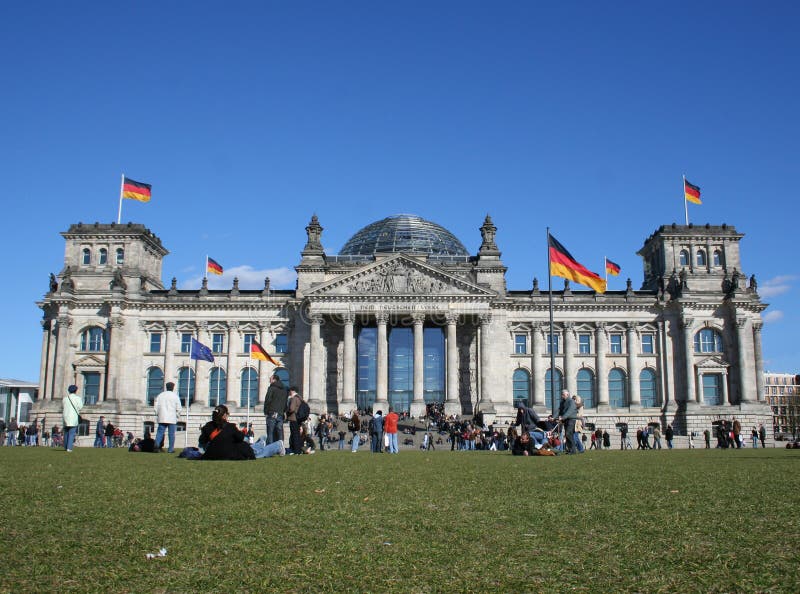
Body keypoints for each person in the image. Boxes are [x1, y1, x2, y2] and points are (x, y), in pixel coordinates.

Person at [154, 381, 182, 453]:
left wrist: (157, 414)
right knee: (171, 434)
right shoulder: (175, 396)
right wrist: (177, 415)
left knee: (160, 433)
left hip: (162, 417)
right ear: (173, 388)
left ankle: (156, 446)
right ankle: (170, 449)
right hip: (171, 417)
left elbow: (155, 406)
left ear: (166, 387)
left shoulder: (160, 395)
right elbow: (179, 408)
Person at [263, 373, 287, 446]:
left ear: (274, 380)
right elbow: (285, 402)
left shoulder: (271, 388)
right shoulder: (284, 389)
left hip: (272, 412)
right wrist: (284, 411)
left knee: (270, 431)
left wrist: (266, 411)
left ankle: (270, 448)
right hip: (280, 413)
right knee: (280, 431)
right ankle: (281, 447)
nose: (269, 381)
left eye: (270, 379)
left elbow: (268, 400)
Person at [62, 384, 83, 452]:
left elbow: (63, 406)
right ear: (76, 391)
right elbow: (80, 407)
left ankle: (65, 447)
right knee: (72, 433)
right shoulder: (78, 398)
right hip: (73, 417)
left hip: (65, 417)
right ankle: (69, 448)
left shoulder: (65, 398)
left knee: (66, 433)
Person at [557, 389, 578, 454]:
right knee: (567, 434)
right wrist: (553, 417)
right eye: (562, 394)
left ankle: (573, 450)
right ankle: (570, 449)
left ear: (567, 395)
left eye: (563, 394)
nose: (562, 396)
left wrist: (563, 417)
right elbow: (559, 410)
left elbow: (570, 411)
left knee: (568, 433)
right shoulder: (562, 402)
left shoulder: (571, 401)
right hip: (565, 420)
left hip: (571, 419)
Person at [285, 386, 304, 455]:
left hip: (293, 418)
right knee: (297, 435)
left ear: (292, 391)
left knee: (294, 435)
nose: (289, 392)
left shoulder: (294, 398)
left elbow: (292, 409)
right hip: (298, 419)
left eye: (290, 391)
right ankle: (298, 450)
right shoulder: (300, 398)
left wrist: (287, 411)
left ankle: (296, 450)